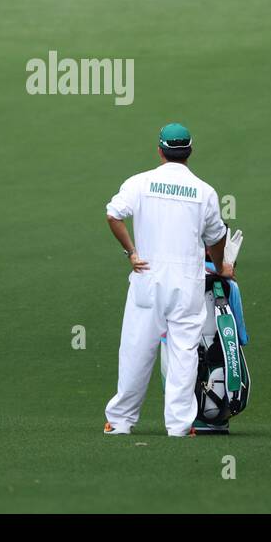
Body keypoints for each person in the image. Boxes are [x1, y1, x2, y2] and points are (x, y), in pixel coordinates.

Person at [103, 124, 229, 438]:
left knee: (135, 349)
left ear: (160, 151)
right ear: (190, 152)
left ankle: (120, 421)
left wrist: (131, 252)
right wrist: (222, 265)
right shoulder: (205, 191)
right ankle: (179, 425)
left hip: (147, 277)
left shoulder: (140, 182)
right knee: (184, 353)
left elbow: (113, 214)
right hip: (187, 283)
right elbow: (216, 237)